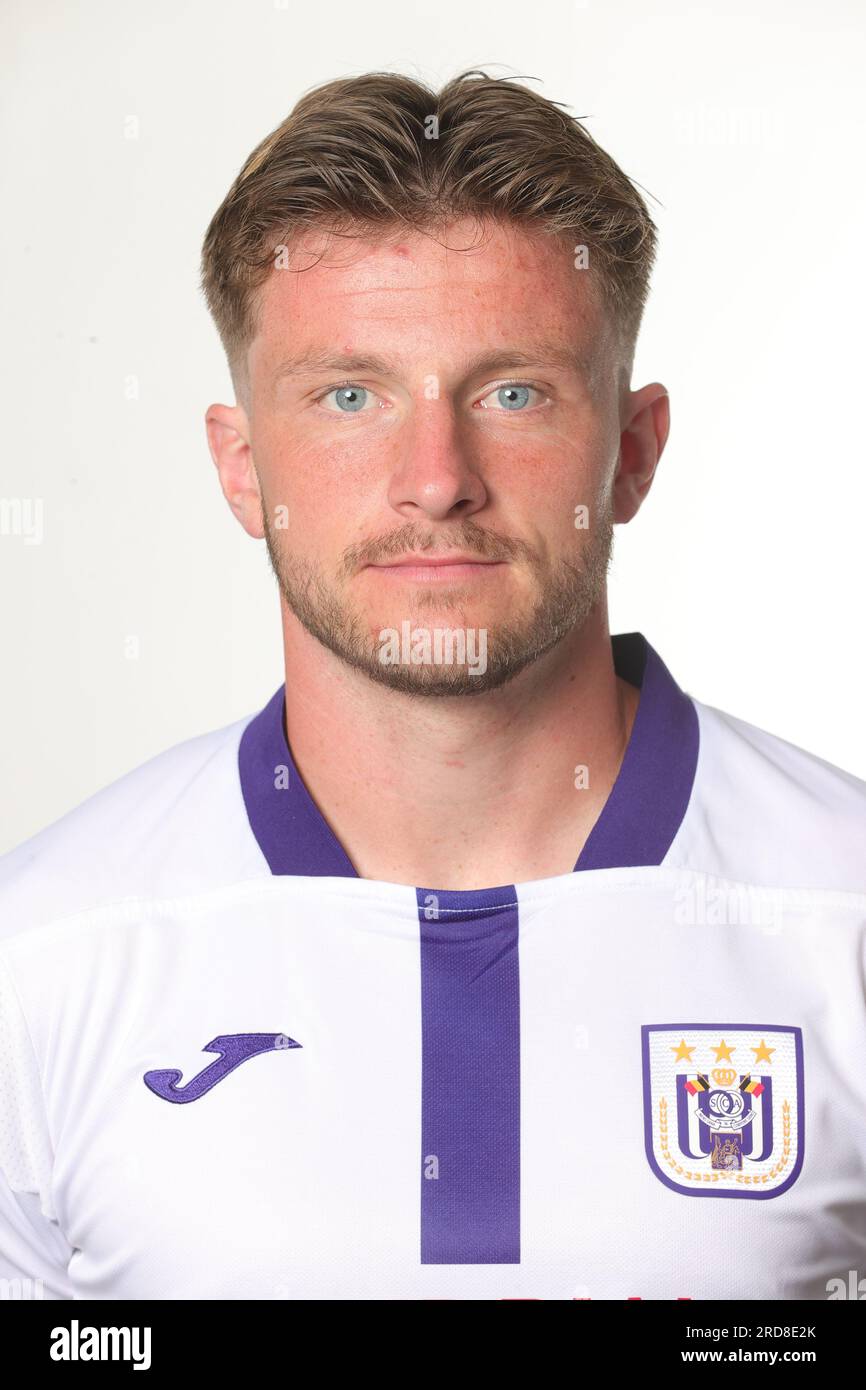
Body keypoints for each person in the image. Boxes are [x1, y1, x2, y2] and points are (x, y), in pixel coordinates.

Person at [1, 69, 864, 1301]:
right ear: (242, 469)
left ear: (630, 450)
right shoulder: (38, 959)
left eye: (511, 391)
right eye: (348, 395)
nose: (433, 478)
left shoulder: (840, 915)